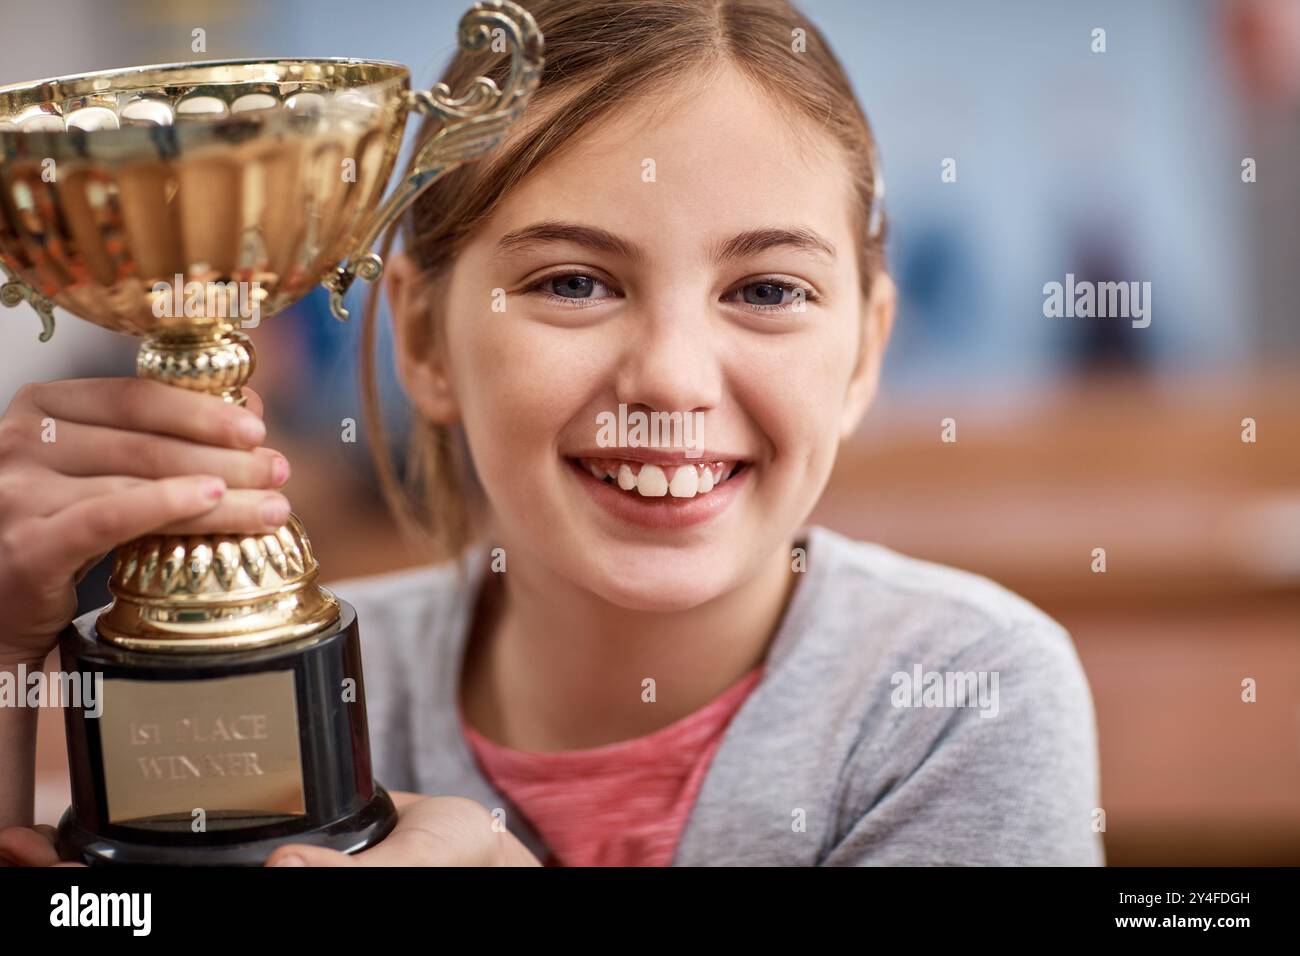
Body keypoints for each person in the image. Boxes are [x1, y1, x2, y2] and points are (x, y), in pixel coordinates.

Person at [0, 0, 1101, 867]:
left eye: (766, 290)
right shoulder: (298, 687)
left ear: (864, 352)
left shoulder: (963, 692)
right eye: (573, 281)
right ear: (424, 339)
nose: (668, 372)